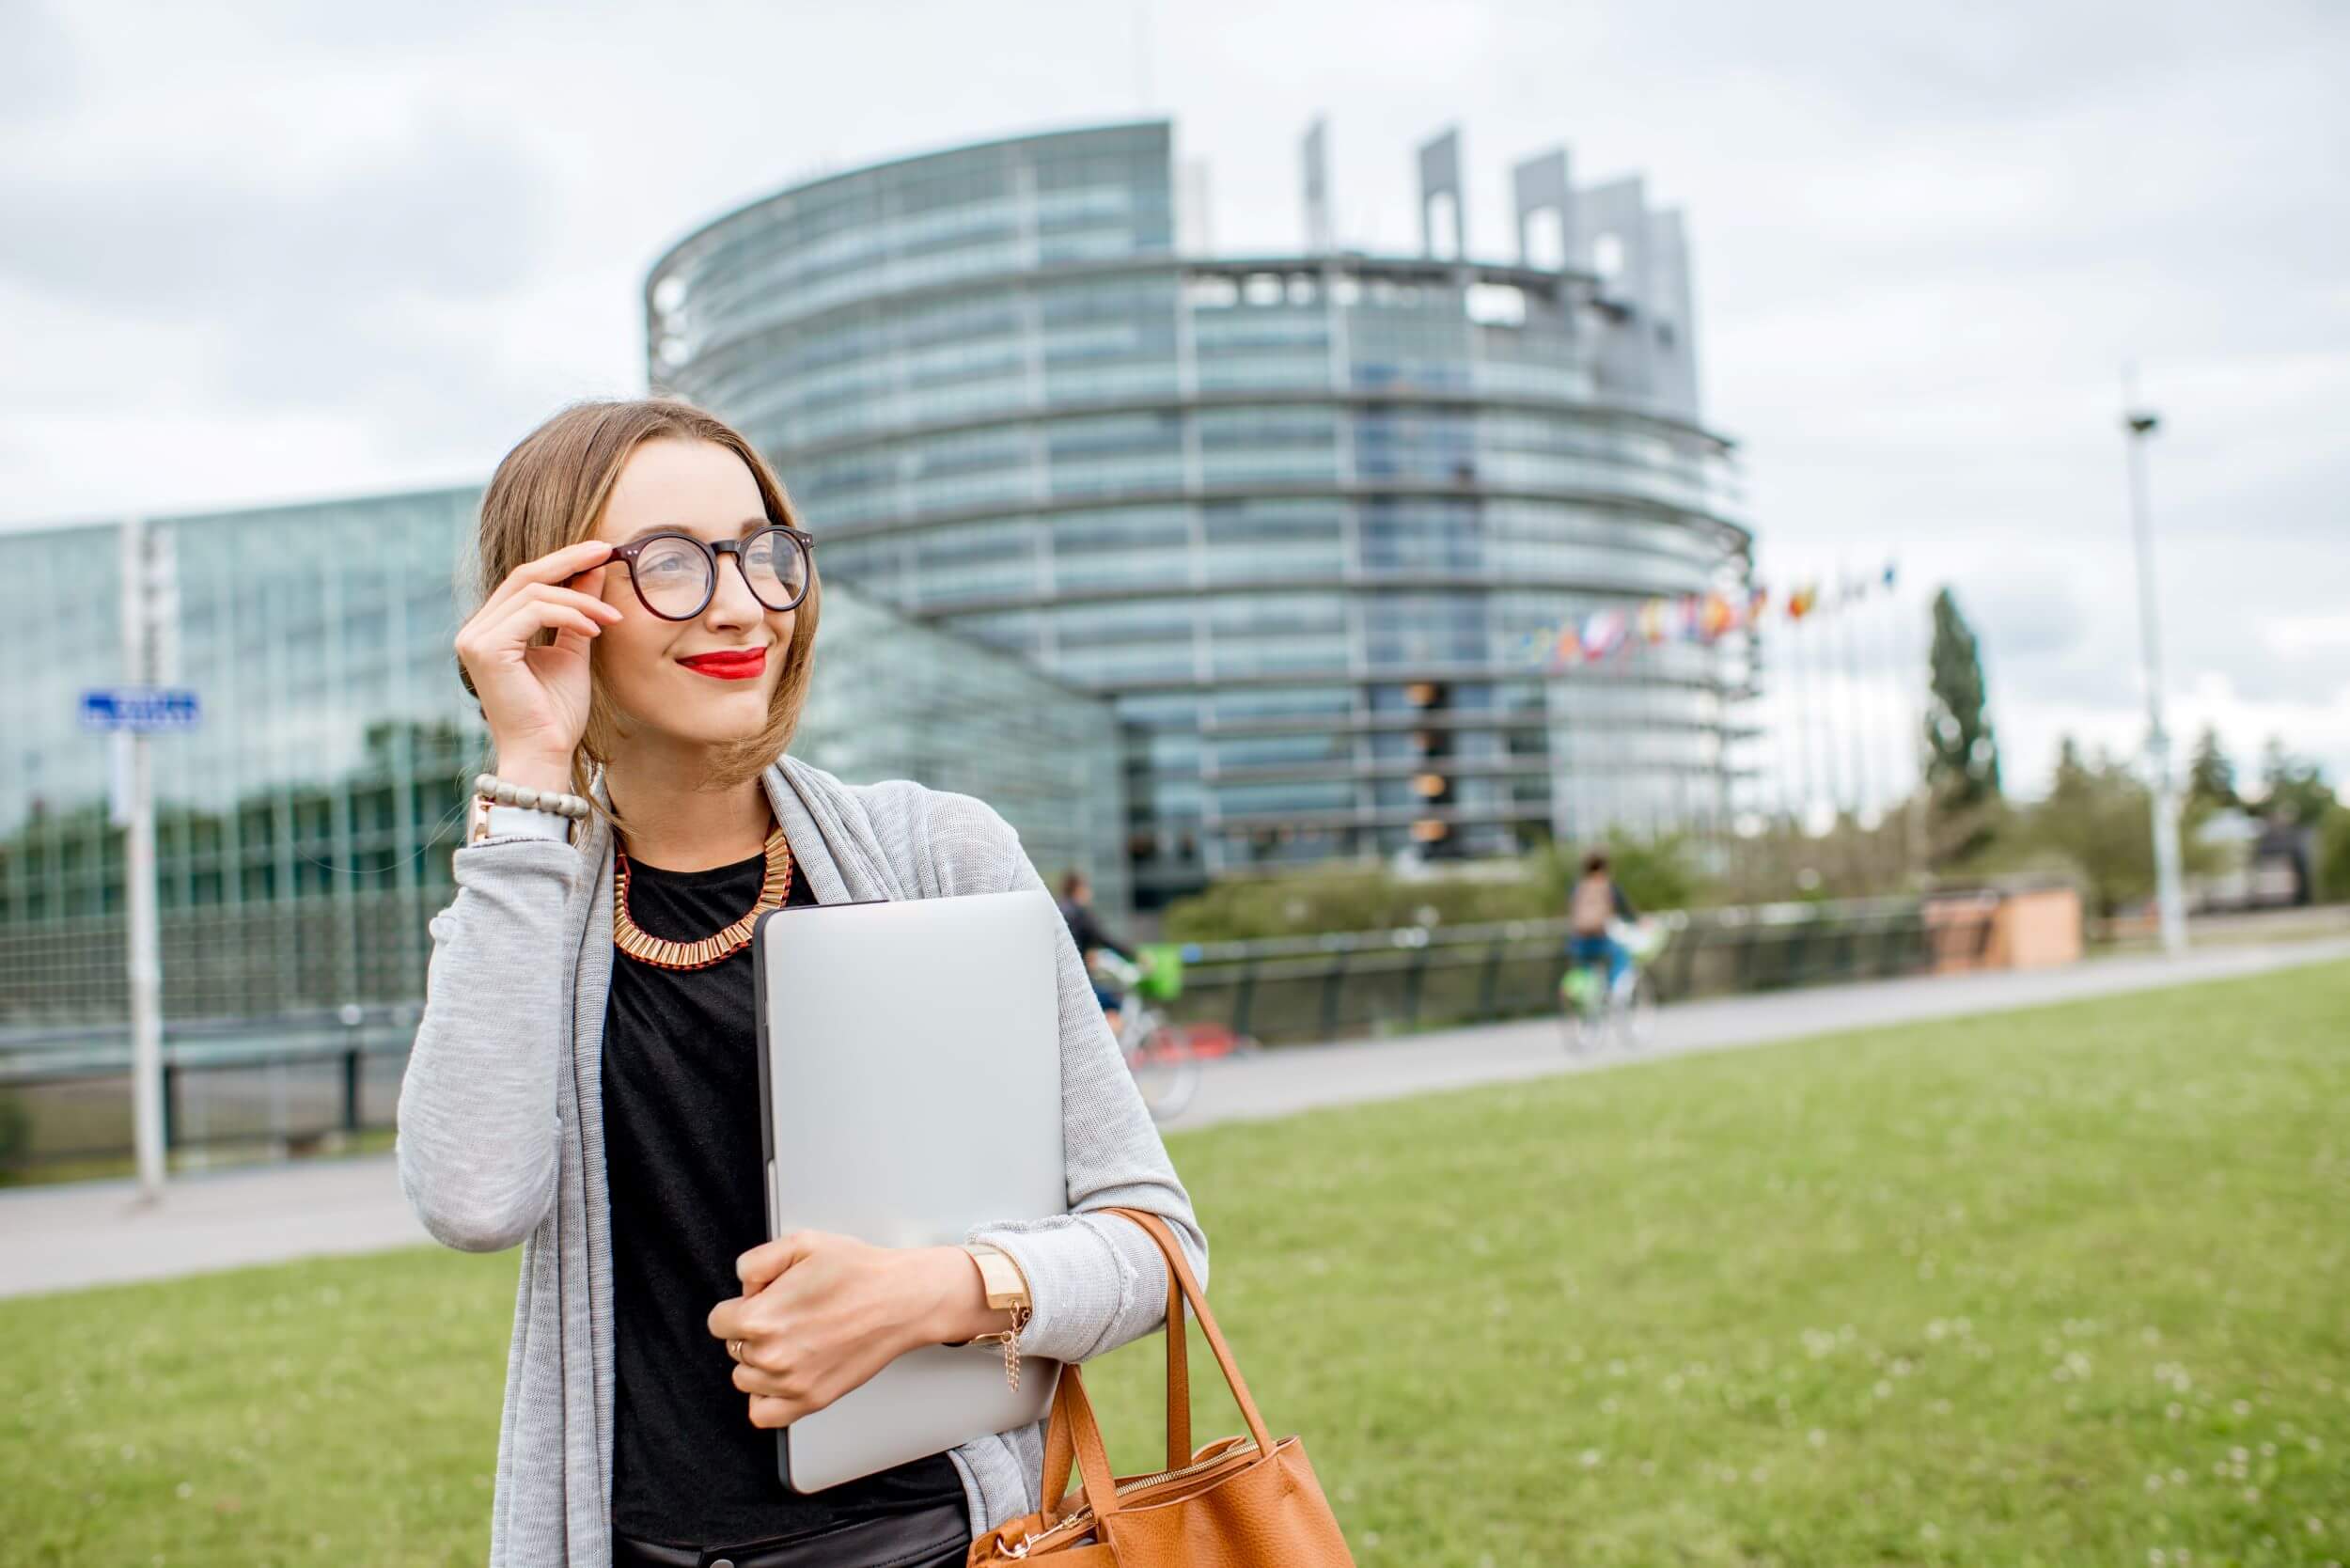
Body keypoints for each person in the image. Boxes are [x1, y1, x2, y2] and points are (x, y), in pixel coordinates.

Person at [398, 400, 1206, 1568]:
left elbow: (1158, 1245)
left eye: (760, 551)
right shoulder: (522, 902)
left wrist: (937, 1292)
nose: (739, 602)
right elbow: (472, 1201)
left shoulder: (938, 856)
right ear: (556, 606)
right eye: (668, 562)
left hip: (943, 1545)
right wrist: (527, 770)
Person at [1055, 870, 1135, 1030]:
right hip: (1077, 979)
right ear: (1079, 889)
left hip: (1060, 980)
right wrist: (1134, 955)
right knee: (1113, 1005)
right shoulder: (1079, 912)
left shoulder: (1059, 910)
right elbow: (1104, 938)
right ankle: (1107, 1053)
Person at [1567, 850, 1638, 997]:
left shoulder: (1578, 887)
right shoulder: (1606, 885)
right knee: (1622, 956)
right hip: (1600, 936)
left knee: (1586, 968)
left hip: (1579, 939)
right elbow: (1625, 910)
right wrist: (1639, 922)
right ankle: (1615, 990)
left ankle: (1586, 997)